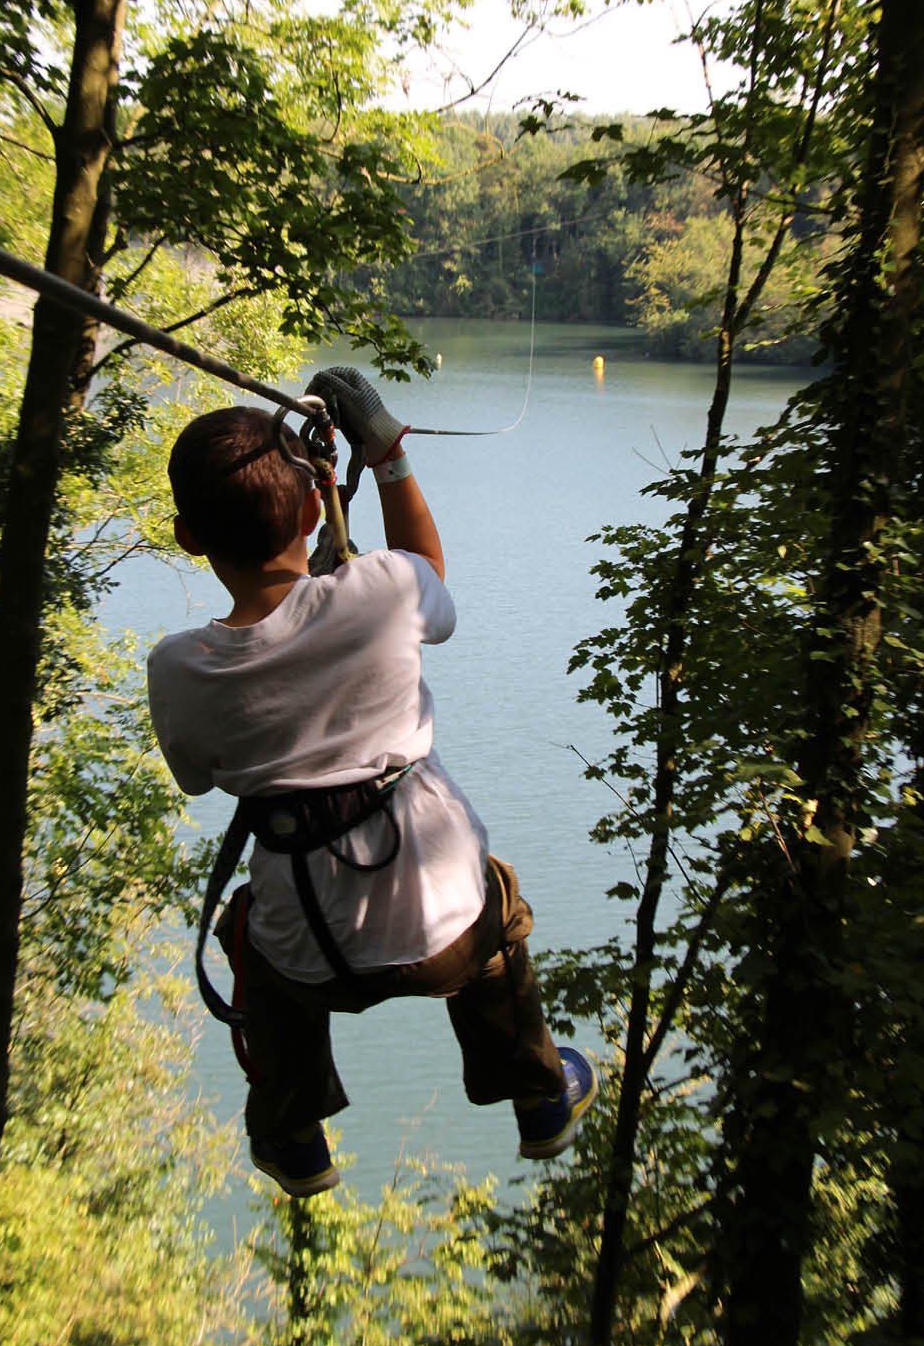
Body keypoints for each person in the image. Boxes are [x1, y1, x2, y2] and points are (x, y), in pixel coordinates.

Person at [147, 369, 599, 1196]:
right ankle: (540, 1097)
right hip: (444, 939)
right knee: (494, 906)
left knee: (250, 930)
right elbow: (427, 571)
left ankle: (292, 1136)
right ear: (313, 513)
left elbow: (197, 779)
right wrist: (388, 458)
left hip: (306, 960)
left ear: (187, 537)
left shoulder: (180, 668)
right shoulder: (382, 591)